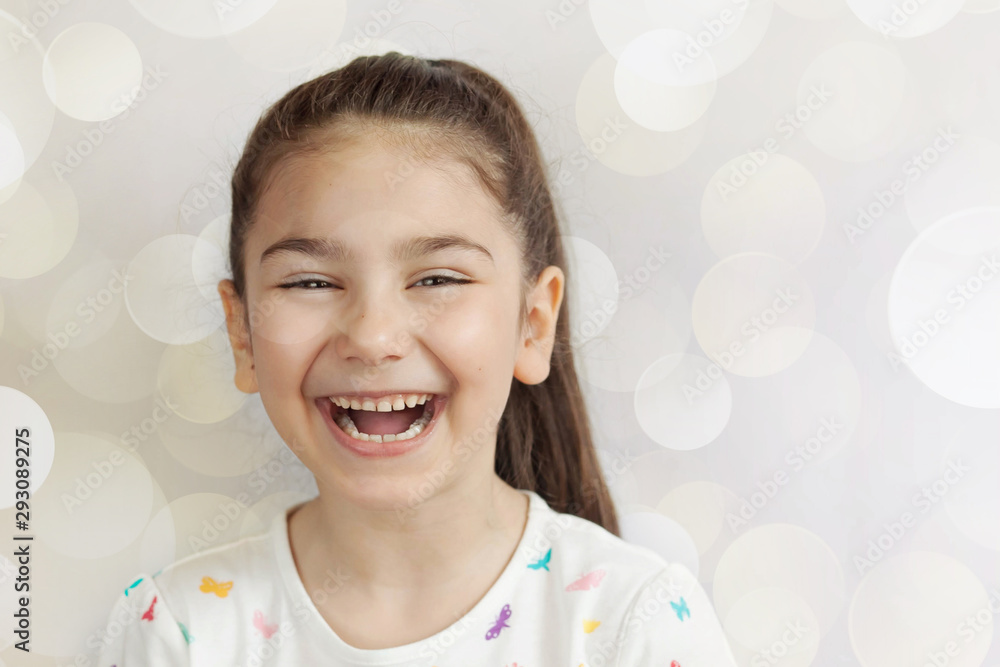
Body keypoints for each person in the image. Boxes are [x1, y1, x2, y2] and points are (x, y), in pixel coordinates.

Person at [95, 52, 738, 667]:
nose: (373, 337)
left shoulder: (638, 623)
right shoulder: (178, 629)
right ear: (242, 335)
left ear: (533, 324)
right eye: (311, 282)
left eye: (437, 280)